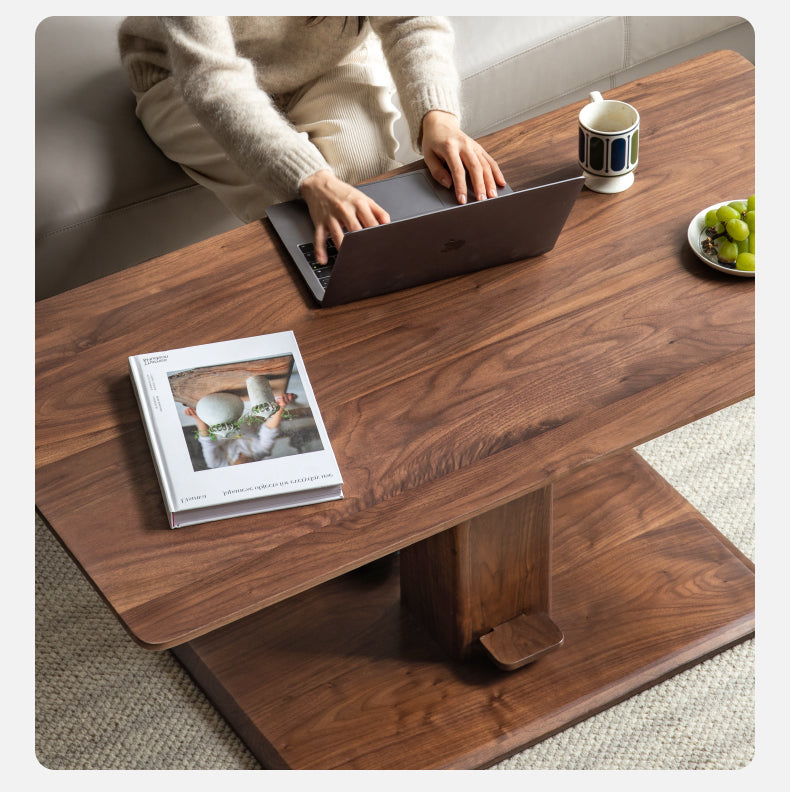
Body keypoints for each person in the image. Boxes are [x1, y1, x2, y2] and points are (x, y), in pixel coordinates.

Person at [118, 16, 506, 263]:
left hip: (327, 59)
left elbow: (411, 18)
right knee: (297, 211)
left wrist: (438, 117)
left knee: (365, 174)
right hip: (185, 77)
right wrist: (310, 178)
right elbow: (212, 81)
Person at [185, 393, 295, 468]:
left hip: (215, 416)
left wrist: (198, 418)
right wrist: (280, 407)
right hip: (245, 411)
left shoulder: (215, 463)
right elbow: (269, 431)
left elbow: (207, 440)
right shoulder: (261, 451)